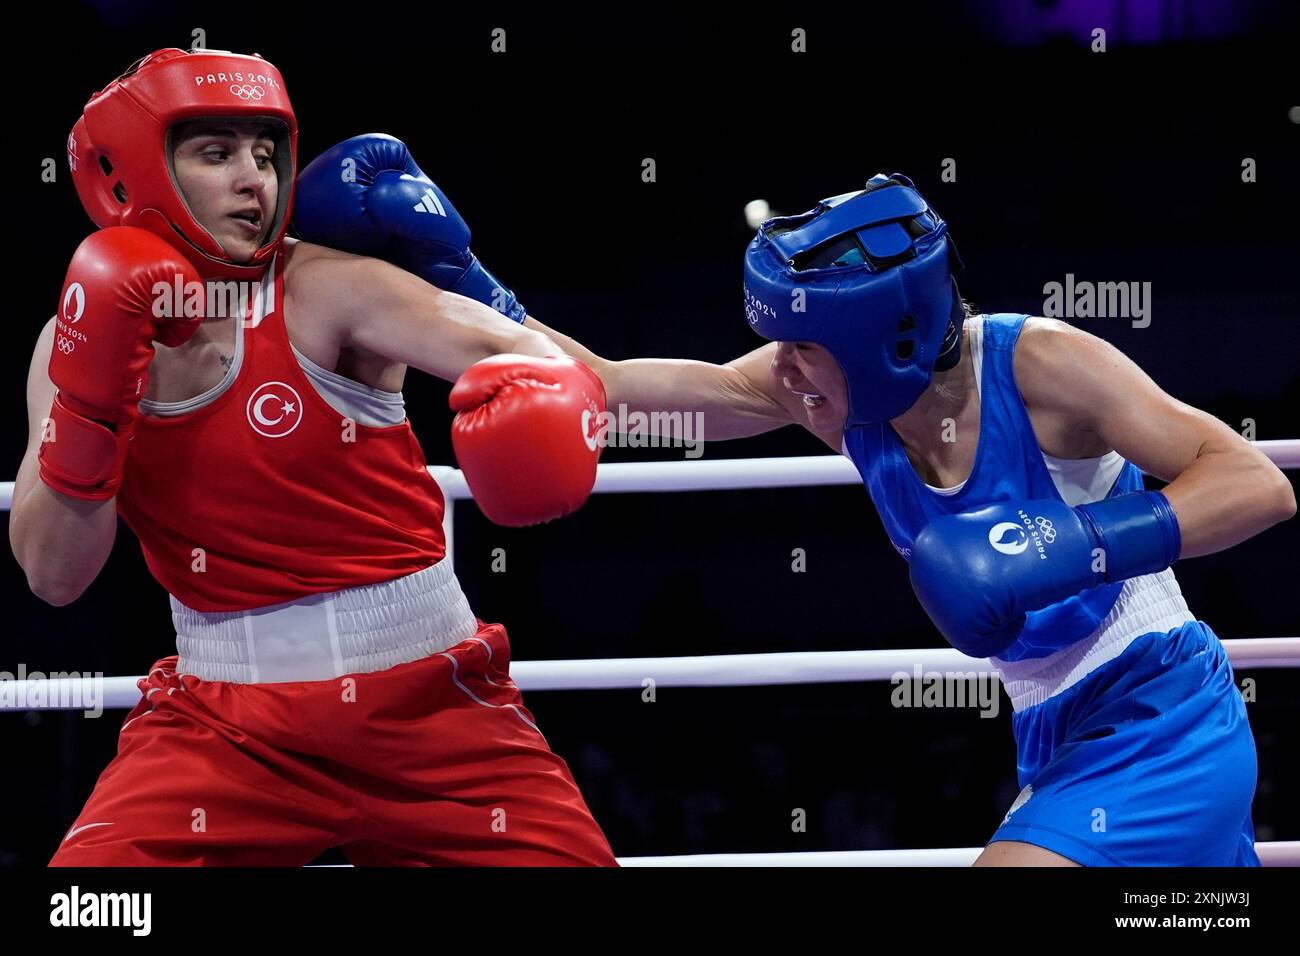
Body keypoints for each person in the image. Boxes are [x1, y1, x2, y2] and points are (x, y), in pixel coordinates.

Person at [299, 146, 1295, 865]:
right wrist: (463, 284)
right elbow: (612, 383)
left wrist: (1070, 543)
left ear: (885, 343)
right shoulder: (823, 394)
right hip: (1055, 729)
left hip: (1164, 711)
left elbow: (1254, 478)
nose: (783, 372)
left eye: (804, 349)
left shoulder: (1042, 366)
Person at [12, 48, 615, 866]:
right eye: (216, 153)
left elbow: (552, 365)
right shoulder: (73, 339)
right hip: (222, 729)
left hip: (435, 711)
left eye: (265, 153)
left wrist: (738, 392)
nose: (255, 179)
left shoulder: (333, 287)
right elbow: (55, 574)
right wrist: (91, 396)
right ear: (128, 178)